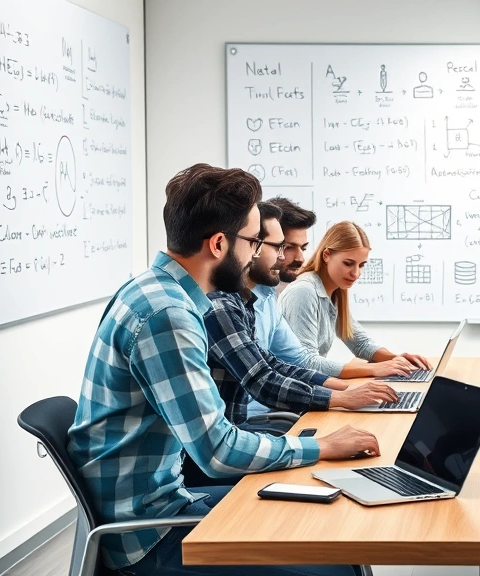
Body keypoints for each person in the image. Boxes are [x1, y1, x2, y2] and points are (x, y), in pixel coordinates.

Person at [68, 164, 377, 576]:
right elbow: (218, 452)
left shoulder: (150, 288)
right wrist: (324, 446)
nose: (257, 253)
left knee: (325, 527)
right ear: (218, 244)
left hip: (166, 502)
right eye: (253, 241)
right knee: (334, 566)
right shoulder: (168, 316)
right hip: (150, 534)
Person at [203, 201, 398, 433]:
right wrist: (343, 395)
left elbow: (282, 363)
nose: (290, 257)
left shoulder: (258, 299)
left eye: (301, 248)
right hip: (253, 418)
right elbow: (263, 380)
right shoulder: (223, 304)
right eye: (281, 247)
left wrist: (345, 390)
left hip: (264, 414)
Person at [280, 221, 430, 379]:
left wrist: (396, 359)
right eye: (348, 263)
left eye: (362, 265)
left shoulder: (335, 291)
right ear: (326, 255)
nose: (356, 273)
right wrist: (375, 369)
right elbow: (307, 363)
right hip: (288, 396)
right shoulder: (304, 291)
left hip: (310, 389)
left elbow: (360, 343)